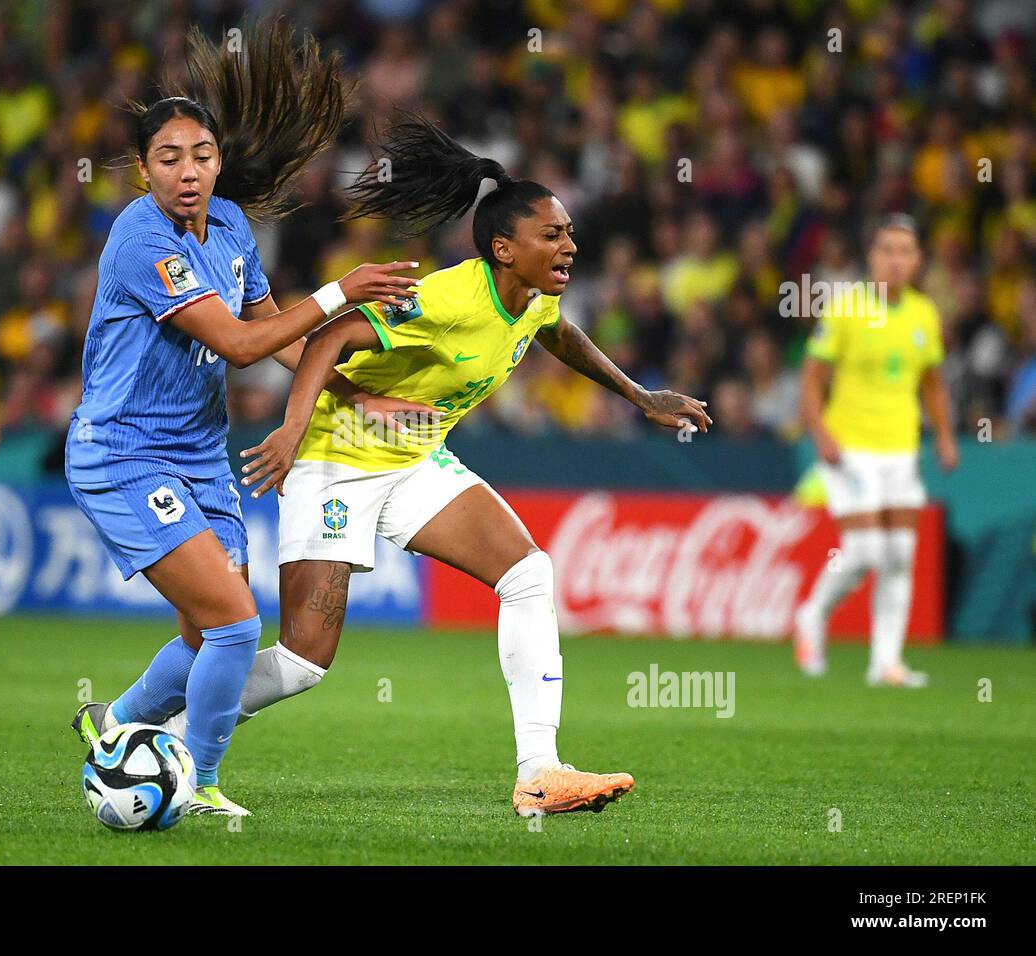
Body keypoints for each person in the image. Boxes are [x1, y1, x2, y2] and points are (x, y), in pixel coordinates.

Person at [206, 116, 712, 817]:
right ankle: (159, 729)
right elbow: (329, 337)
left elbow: (558, 333)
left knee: (529, 574)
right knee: (301, 662)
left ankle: (539, 773)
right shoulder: (446, 300)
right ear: (504, 248)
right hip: (337, 459)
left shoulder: (535, 297)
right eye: (554, 234)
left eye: (568, 231)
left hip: (414, 460)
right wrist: (292, 431)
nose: (570, 242)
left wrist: (638, 395)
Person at [67, 23, 422, 817]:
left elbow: (274, 336)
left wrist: (355, 399)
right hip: (122, 453)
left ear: (218, 160)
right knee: (234, 624)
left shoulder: (228, 226)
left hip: (196, 454)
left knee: (204, 634)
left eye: (200, 155)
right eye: (168, 159)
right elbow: (236, 343)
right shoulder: (137, 238)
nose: (187, 172)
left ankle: (118, 728)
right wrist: (340, 293)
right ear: (143, 169)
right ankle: (198, 780)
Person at [795, 213, 958, 686]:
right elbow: (811, 378)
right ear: (871, 256)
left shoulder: (924, 313)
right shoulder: (845, 308)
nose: (895, 260)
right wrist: (821, 433)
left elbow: (932, 383)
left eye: (905, 251)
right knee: (867, 551)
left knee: (900, 554)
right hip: (850, 448)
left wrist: (945, 436)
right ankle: (814, 614)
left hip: (901, 448)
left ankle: (886, 663)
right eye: (887, 250)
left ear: (918, 259)